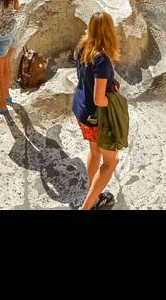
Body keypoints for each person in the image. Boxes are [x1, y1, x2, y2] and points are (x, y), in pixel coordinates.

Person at [73, 11, 121, 210]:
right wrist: (115, 104)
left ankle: (95, 194)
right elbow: (99, 99)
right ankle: (88, 206)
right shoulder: (102, 60)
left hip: (81, 110)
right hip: (96, 117)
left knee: (94, 150)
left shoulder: (82, 47)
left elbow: (88, 81)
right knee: (111, 162)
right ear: (110, 31)